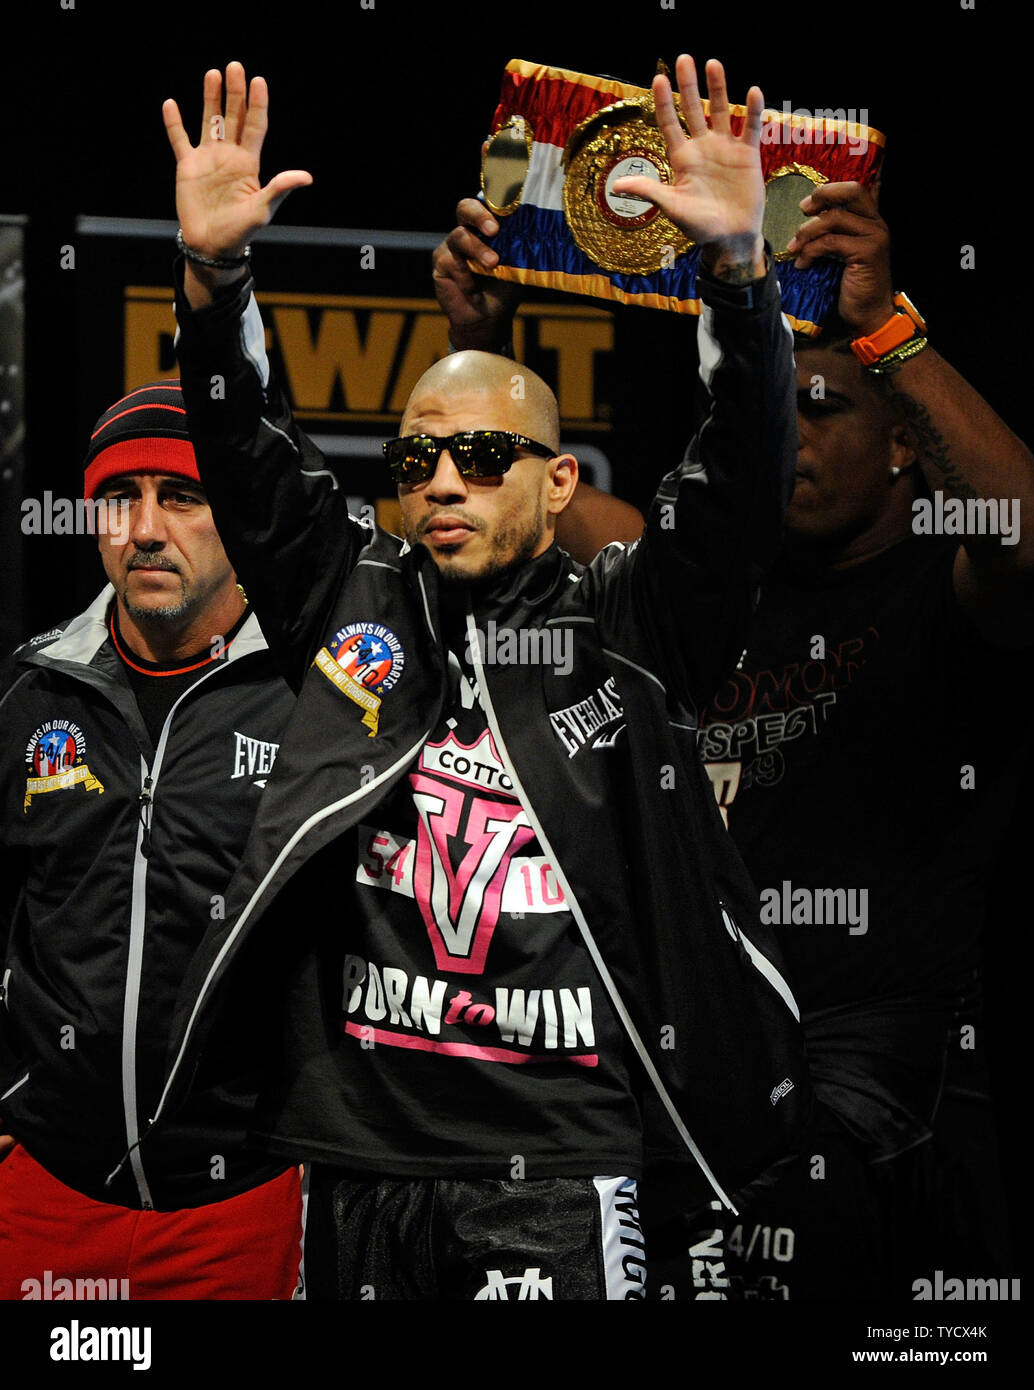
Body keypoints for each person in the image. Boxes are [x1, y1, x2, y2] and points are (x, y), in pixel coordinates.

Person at [153, 56, 809, 1301]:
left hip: (560, 1166)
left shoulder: (626, 626)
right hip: (353, 1156)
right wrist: (215, 279)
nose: (441, 480)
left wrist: (736, 279)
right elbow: (243, 451)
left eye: (482, 454)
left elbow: (740, 481)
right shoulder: (352, 604)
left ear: (558, 482)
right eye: (416, 459)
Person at [441, 174, 1034, 1299]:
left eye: (823, 410)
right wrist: (488, 346)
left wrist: (885, 331)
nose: (791, 434)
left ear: (904, 446)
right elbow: (528, 518)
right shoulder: (695, 585)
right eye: (777, 408)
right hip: (690, 1071)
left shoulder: (942, 581)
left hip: (882, 1101)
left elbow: (1026, 541)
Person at [0, 381, 304, 1300]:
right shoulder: (34, 692)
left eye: (182, 497)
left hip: (242, 1195)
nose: (142, 529)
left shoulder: (314, 695)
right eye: (117, 499)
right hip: (44, 1187)